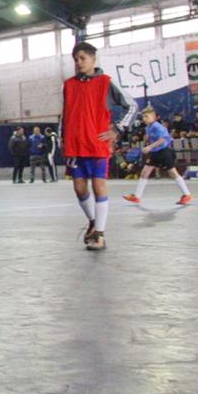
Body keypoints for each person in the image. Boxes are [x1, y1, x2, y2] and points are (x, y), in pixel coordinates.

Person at [62, 41, 136, 250]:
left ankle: (100, 235)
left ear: (94, 59)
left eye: (82, 58)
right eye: (76, 60)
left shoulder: (106, 82)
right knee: (79, 188)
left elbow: (132, 105)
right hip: (75, 146)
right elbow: (65, 115)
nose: (78, 63)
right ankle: (93, 222)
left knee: (98, 186)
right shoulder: (68, 85)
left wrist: (118, 129)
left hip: (97, 145)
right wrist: (63, 140)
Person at [122, 107, 192, 205]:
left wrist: (150, 147)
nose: (144, 119)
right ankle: (136, 197)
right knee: (144, 173)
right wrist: (147, 142)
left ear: (154, 117)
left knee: (173, 173)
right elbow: (150, 138)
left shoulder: (158, 126)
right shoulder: (148, 127)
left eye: (147, 116)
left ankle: (187, 194)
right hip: (155, 153)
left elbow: (163, 139)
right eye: (143, 117)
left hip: (164, 152)